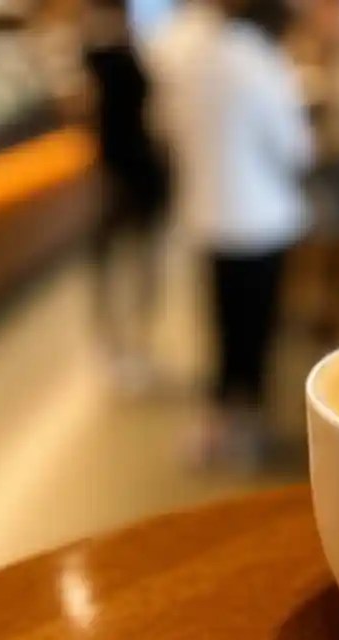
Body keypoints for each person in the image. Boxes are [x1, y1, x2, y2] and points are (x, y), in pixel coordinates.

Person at [165, 0, 313, 466]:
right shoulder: (263, 64)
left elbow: (166, 127)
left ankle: (221, 424)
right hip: (260, 219)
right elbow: (295, 146)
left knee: (224, 326)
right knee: (256, 329)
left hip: (208, 214)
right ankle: (251, 429)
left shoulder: (191, 56)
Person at [82, 0, 170, 392]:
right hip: (128, 178)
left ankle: (128, 352)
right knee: (131, 270)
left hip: (127, 177)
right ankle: (127, 352)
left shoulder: (107, 57)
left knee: (129, 269)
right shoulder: (114, 57)